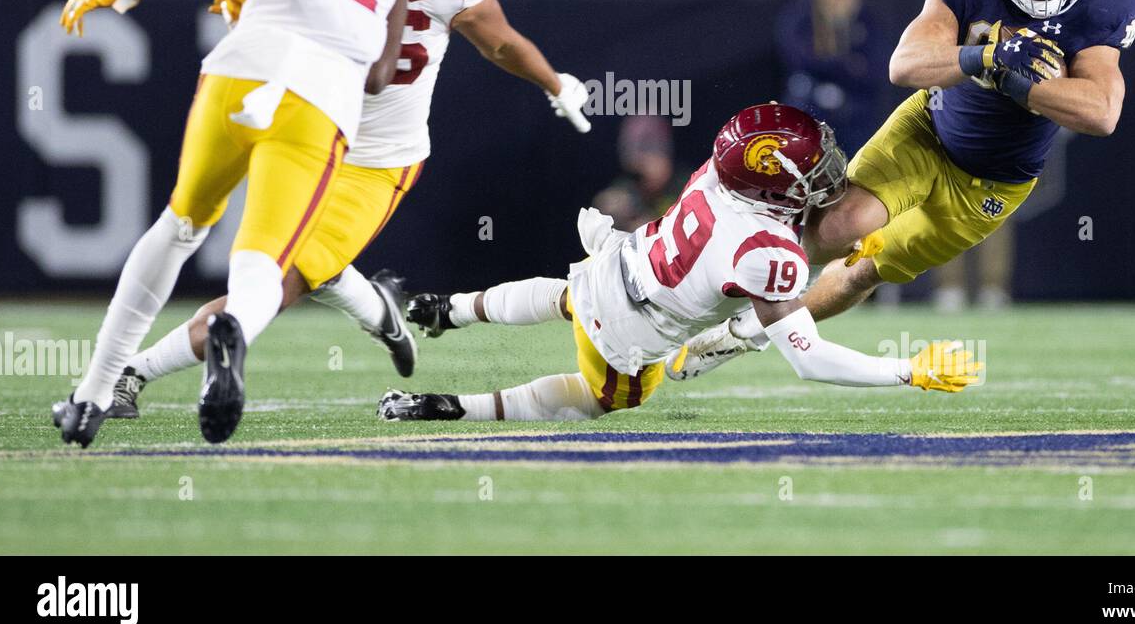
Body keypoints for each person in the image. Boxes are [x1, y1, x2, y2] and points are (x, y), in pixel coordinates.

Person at [105, 0, 592, 420]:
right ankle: (379, 310)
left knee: (278, 283)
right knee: (284, 268)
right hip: (307, 134)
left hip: (376, 161)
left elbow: (500, 42)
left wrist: (555, 82)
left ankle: (130, 373)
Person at [53, 0, 425, 447]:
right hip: (323, 95)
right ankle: (232, 328)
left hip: (243, 67)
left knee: (179, 225)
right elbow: (379, 74)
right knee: (260, 268)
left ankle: (91, 396)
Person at [670, 0, 1135, 379]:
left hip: (994, 184)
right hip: (929, 127)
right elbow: (905, 64)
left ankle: (744, 334)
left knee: (860, 273)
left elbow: (1102, 112)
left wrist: (1013, 82)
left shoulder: (1102, 5)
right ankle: (688, 294)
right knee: (840, 227)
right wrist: (985, 55)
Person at [380, 104, 981, 422]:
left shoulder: (721, 172)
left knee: (566, 295)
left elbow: (757, 221)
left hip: (619, 266)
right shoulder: (770, 256)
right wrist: (907, 371)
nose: (828, 170)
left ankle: (448, 308)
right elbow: (811, 361)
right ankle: (455, 407)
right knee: (605, 399)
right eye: (814, 165)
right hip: (631, 331)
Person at [774, 0, 885, 155]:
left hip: (856, 119)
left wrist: (836, 65)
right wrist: (847, 64)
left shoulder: (869, 21)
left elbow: (877, 68)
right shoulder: (800, 17)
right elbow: (799, 57)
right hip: (809, 112)